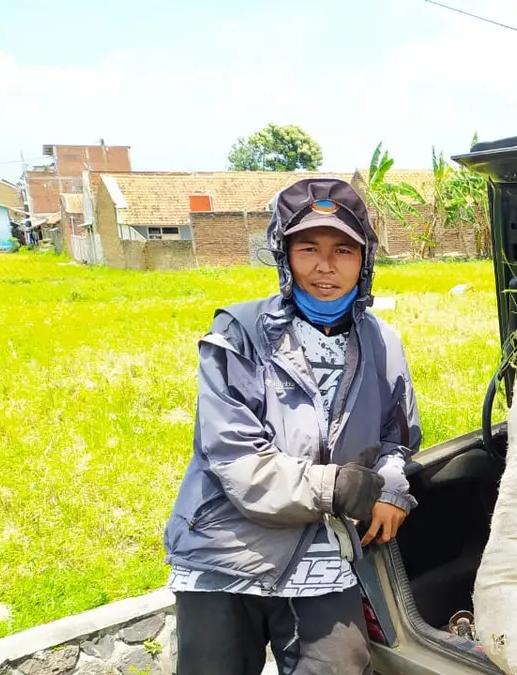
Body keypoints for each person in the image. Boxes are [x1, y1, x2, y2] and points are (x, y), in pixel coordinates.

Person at [163, 177, 422, 675]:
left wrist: (391, 489)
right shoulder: (239, 334)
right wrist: (333, 486)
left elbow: (396, 439)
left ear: (364, 260)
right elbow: (237, 460)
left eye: (343, 250)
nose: (325, 266)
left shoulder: (382, 342)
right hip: (226, 549)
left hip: (322, 550)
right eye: (308, 249)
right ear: (285, 256)